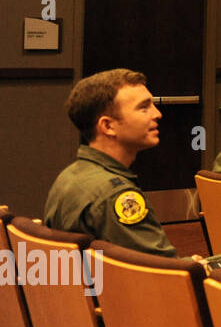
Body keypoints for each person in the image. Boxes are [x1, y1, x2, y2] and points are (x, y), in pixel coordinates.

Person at [45, 68, 177, 257]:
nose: (157, 114)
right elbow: (165, 273)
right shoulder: (115, 195)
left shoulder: (70, 175)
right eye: (144, 107)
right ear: (108, 126)